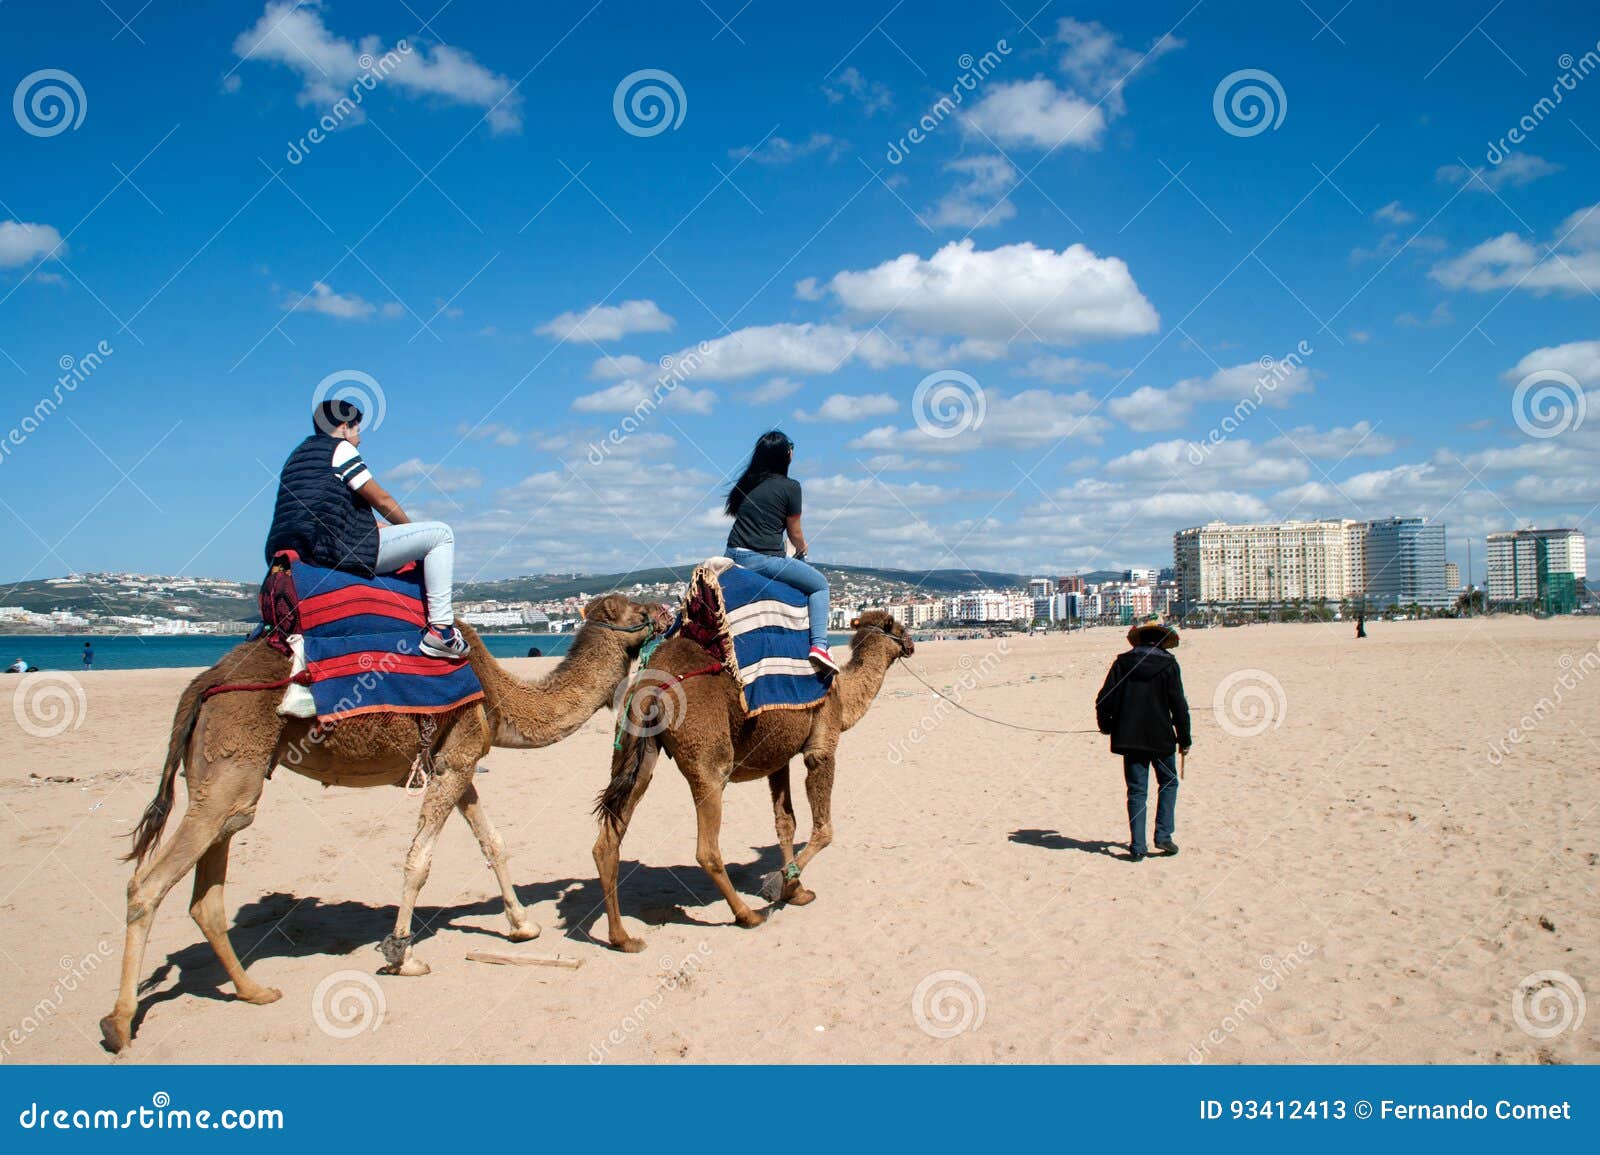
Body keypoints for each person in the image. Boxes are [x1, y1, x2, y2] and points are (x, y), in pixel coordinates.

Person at [264, 398, 468, 659]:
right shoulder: (340, 449)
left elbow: (320, 509)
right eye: (358, 431)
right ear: (346, 426)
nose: (359, 439)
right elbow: (382, 500)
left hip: (293, 551)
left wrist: (373, 525)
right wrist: (412, 533)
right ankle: (442, 632)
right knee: (440, 535)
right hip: (337, 551)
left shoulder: (297, 457)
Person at [723, 430, 836, 672]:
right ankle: (819, 646)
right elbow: (794, 533)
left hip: (731, 554)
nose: (793, 450)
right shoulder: (791, 487)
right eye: (791, 446)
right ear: (785, 454)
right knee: (819, 585)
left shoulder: (747, 483)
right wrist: (804, 549)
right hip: (760, 560)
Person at [1095, 614, 1192, 861]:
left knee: (1137, 791)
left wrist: (1106, 726)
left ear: (1139, 641)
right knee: (1168, 784)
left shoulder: (1122, 663)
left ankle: (1138, 846)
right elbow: (1179, 706)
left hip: (1130, 737)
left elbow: (1104, 699)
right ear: (1161, 641)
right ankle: (1163, 835)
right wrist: (1185, 738)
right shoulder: (1169, 665)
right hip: (1161, 737)